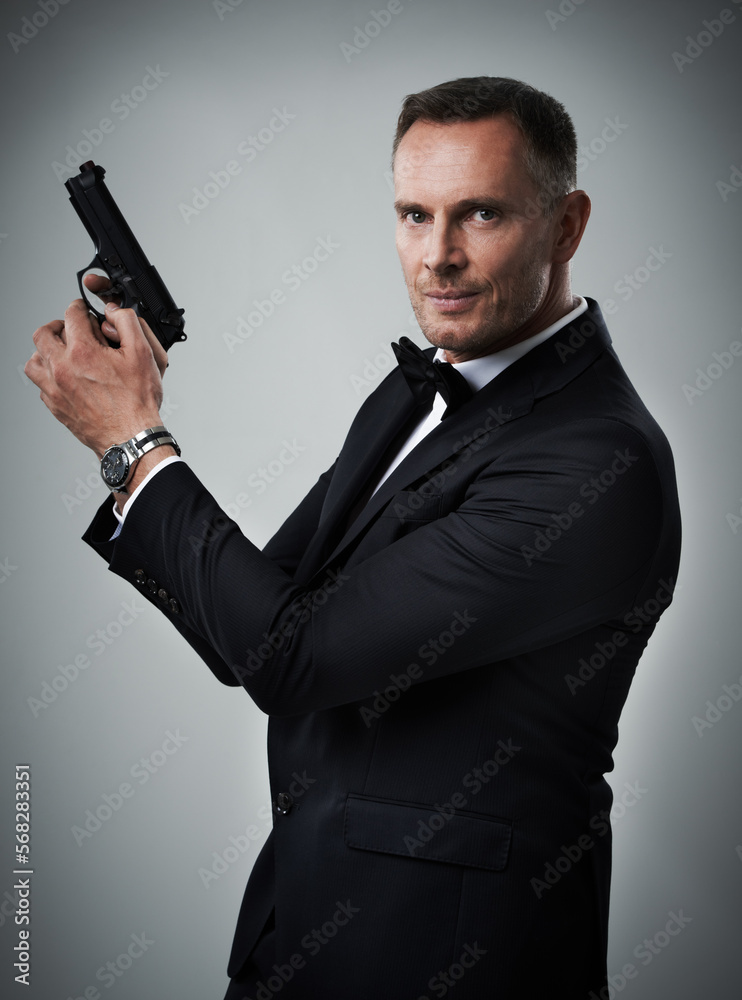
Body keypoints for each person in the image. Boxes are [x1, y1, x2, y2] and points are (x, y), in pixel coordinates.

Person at [26, 77, 681, 999]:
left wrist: (134, 444)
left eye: (480, 214)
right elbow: (253, 633)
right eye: (415, 215)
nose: (437, 257)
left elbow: (291, 659)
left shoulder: (596, 463)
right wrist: (137, 437)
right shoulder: (420, 388)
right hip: (298, 929)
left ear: (568, 226)